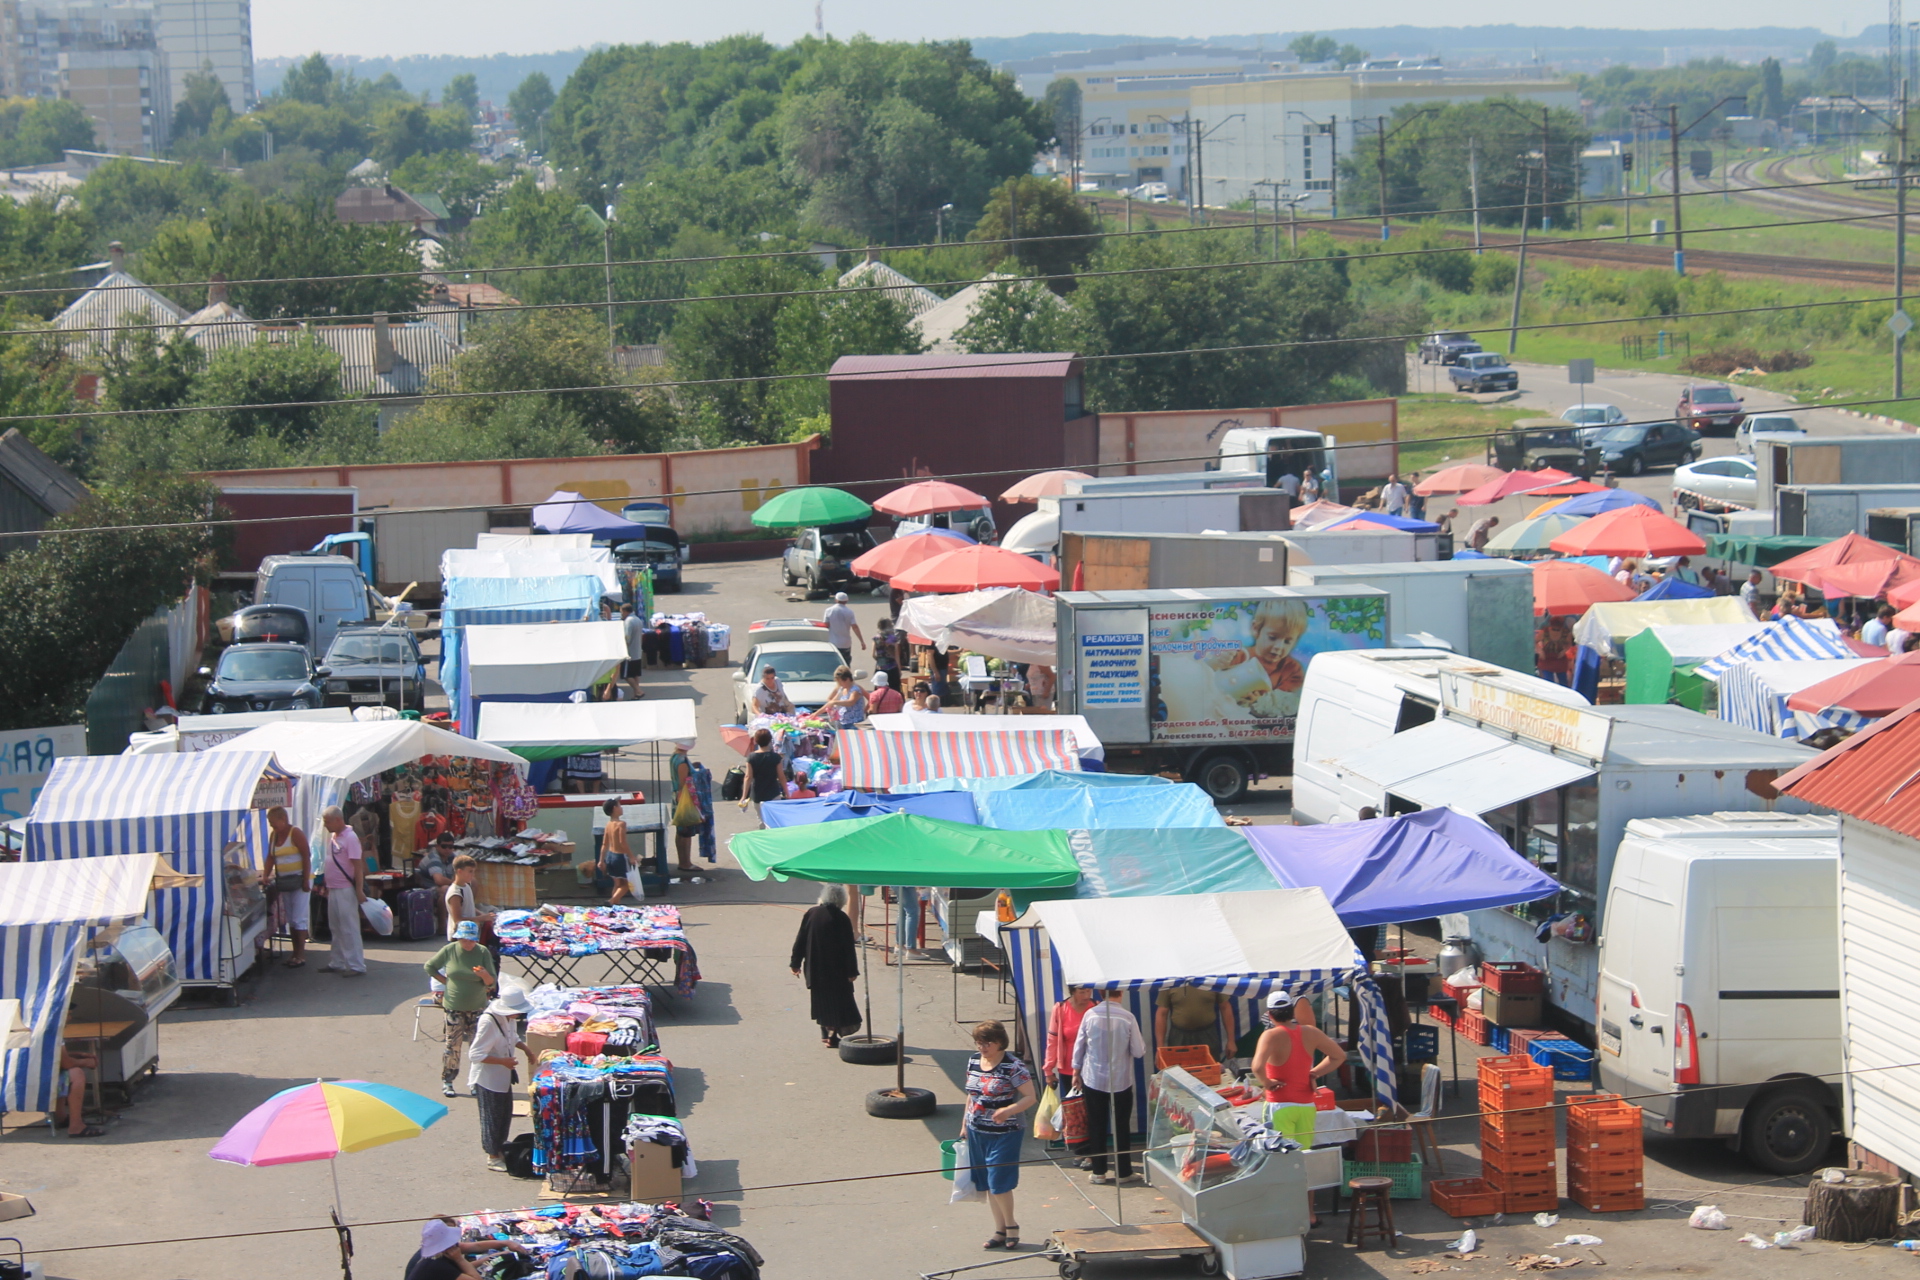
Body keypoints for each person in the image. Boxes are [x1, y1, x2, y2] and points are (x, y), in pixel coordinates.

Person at [961, 1020, 1037, 1250]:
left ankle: (1011, 1226)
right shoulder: (974, 1060)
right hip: (977, 1130)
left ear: (999, 1042)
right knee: (987, 1182)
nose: (982, 1047)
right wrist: (964, 1123)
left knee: (999, 1182)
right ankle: (999, 1229)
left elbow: (1030, 1097)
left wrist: (1008, 1111)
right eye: (979, 1042)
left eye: (987, 1043)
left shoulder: (1013, 1066)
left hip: (1005, 1132)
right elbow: (971, 1095)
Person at [1251, 990, 1348, 1148]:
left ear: (1270, 1015)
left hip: (1280, 1104)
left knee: (1282, 1157)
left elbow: (1256, 1067)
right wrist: (1314, 1074)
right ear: (1292, 1012)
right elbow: (1339, 1056)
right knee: (1304, 1155)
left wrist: (1266, 1083)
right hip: (1306, 1106)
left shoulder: (1270, 1035)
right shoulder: (1311, 1032)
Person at [1072, 989, 1145, 1186]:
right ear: (1120, 993)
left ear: (1101, 992)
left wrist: (1075, 1071)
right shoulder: (1128, 1017)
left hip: (1093, 1077)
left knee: (1096, 1124)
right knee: (1121, 1126)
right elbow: (1138, 1052)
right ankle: (1123, 1171)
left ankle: (1099, 1172)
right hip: (1121, 1079)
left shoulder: (1090, 1014)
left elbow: (1079, 1046)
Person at [468, 984, 537, 1172]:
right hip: (488, 1078)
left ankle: (499, 1148)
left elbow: (512, 1037)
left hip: (503, 1076)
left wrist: (527, 1050)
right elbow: (475, 1054)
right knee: (492, 1117)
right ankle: (492, 1155)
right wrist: (502, 1061)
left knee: (504, 1114)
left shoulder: (508, 1019)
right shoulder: (488, 1022)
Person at [425, 921, 498, 1098]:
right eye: (464, 940)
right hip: (454, 1007)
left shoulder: (482, 952)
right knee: (452, 1046)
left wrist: (484, 975)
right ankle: (448, 1080)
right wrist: (446, 983)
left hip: (477, 1007)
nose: (468, 943)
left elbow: (492, 982)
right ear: (458, 938)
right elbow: (429, 966)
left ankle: (476, 1082)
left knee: (477, 1047)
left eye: (471, 940)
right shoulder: (450, 950)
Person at [789, 884, 862, 1047]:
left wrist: (795, 963)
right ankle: (832, 1036)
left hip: (815, 969)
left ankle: (825, 1033)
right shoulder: (841, 918)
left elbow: (800, 939)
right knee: (838, 1003)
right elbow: (848, 948)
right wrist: (852, 970)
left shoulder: (811, 913)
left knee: (821, 1001)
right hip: (837, 971)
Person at [261, 804, 312, 969]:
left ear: (284, 819)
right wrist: (265, 876)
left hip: (299, 880)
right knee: (291, 918)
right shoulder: (274, 836)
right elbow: (270, 857)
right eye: (270, 824)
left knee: (299, 918)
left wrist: (305, 880)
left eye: (273, 823)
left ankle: (301, 954)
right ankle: (295, 953)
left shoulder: (295, 833)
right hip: (285, 881)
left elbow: (306, 856)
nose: (272, 826)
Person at [320, 805, 367, 977]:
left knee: (349, 927)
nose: (325, 825)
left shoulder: (350, 838)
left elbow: (357, 866)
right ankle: (337, 961)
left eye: (327, 821)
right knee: (336, 927)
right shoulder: (334, 837)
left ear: (338, 820)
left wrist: (359, 890)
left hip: (345, 889)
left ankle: (356, 965)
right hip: (333, 888)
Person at [405, 1218, 531, 1280]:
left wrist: (489, 1257)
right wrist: (460, 1259)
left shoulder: (439, 1254)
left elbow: (476, 1247)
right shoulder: (437, 1265)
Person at [1154, 983, 1235, 1066]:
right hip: (1179, 1037)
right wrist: (1160, 1048)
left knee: (1209, 1071)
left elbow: (1225, 1007)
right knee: (1179, 1074)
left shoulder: (1212, 980)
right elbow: (1161, 1014)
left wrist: (1231, 1041)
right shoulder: (1172, 981)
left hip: (1207, 1036)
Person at [1044, 985, 1096, 1100]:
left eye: (1089, 991)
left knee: (1094, 1111)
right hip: (1069, 1068)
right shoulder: (1060, 1008)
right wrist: (1048, 1070)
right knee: (1074, 1111)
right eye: (1082, 992)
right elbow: (1052, 1040)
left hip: (1093, 1068)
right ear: (1072, 992)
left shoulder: (1096, 1007)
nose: (1087, 996)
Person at [53, 1039, 103, 1137]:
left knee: (58, 1071)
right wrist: (86, 1062)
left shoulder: (22, 1025)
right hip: (37, 1085)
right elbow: (66, 1063)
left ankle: (60, 1117)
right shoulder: (53, 1029)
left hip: (17, 1084)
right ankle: (76, 1126)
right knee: (76, 1073)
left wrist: (73, 1055)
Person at [668, 738, 701, 875]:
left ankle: (684, 861)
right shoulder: (682, 761)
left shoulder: (675, 757)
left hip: (677, 797)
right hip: (683, 798)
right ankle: (685, 862)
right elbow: (683, 783)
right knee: (685, 832)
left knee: (680, 831)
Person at [745, 727, 787, 827]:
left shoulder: (751, 757)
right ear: (770, 740)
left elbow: (748, 777)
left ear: (756, 741)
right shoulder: (776, 757)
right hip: (773, 794)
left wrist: (743, 796)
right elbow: (781, 777)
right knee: (774, 821)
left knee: (761, 820)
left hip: (757, 794)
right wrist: (787, 792)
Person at [445, 854, 493, 942]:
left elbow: (468, 906)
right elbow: (458, 920)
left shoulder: (466, 886)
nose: (473, 875)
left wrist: (483, 914)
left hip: (470, 934)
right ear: (459, 871)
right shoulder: (455, 893)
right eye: (470, 871)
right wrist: (481, 918)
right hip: (459, 936)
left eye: (474, 871)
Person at [600, 798, 635, 904]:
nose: (621, 808)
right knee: (625, 885)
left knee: (617, 884)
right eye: (619, 805)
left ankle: (615, 906)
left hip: (610, 856)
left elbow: (604, 844)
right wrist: (631, 856)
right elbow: (622, 843)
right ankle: (611, 901)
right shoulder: (621, 824)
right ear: (615, 808)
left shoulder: (608, 824)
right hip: (620, 857)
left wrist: (601, 860)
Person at [824, 591, 865, 665]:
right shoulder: (849, 612)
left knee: (833, 664)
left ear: (836, 600)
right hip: (845, 643)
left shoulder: (828, 611)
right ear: (846, 601)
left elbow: (826, 625)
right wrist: (862, 641)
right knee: (845, 663)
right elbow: (855, 627)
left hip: (832, 642)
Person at [1536, 615, 1576, 687]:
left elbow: (1569, 644)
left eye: (1558, 629)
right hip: (1546, 659)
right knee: (1548, 681)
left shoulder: (1566, 633)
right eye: (1553, 629)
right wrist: (1540, 651)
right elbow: (1534, 642)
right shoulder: (1544, 632)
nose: (1555, 631)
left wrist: (1564, 651)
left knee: (1563, 682)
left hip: (1559, 658)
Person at [620, 604, 647, 699]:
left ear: (625, 611)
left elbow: (627, 638)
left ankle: (638, 691)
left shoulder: (628, 621)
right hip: (637, 652)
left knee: (626, 675)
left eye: (621, 612)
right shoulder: (638, 620)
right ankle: (636, 692)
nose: (621, 614)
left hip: (630, 653)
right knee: (635, 674)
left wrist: (623, 651)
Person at [872, 618, 903, 686]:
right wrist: (899, 669)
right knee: (894, 688)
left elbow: (873, 654)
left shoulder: (876, 638)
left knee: (880, 688)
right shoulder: (893, 639)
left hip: (880, 667)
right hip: (892, 667)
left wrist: (880, 660)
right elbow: (896, 655)